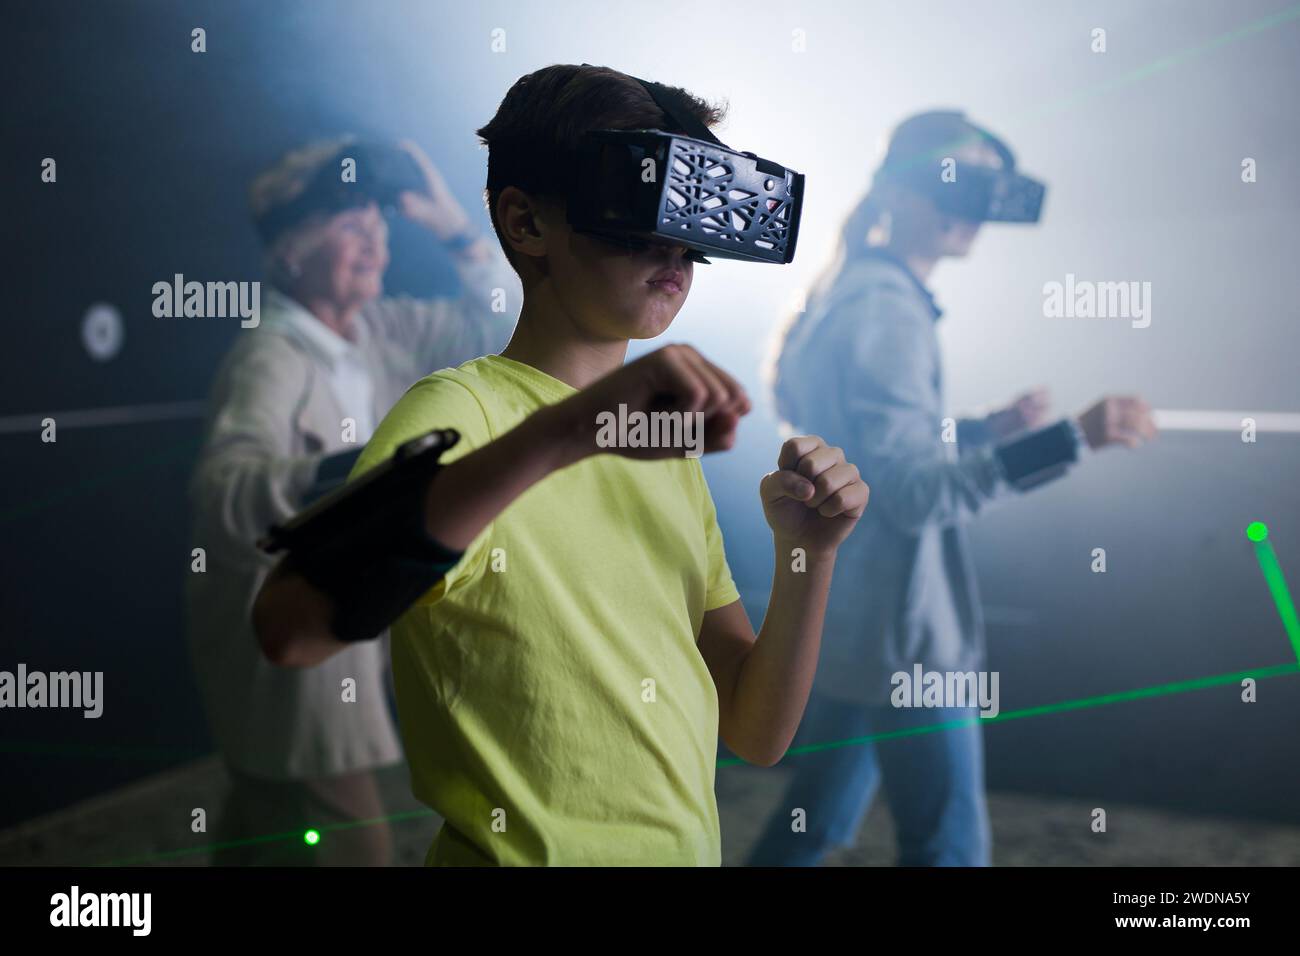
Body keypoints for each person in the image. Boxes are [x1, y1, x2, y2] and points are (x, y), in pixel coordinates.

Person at [251, 63, 871, 866]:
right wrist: (568, 430)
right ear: (525, 222)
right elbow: (287, 627)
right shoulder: (460, 412)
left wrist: (808, 554)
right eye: (634, 221)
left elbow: (755, 733)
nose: (672, 256)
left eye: (688, 235)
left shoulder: (661, 444)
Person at [755, 110, 1157, 866]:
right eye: (954, 179)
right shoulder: (888, 310)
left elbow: (872, 448)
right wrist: (1075, 437)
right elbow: (909, 493)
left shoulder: (859, 291)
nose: (967, 203)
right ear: (901, 193)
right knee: (950, 849)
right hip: (906, 635)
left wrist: (981, 429)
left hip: (855, 620)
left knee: (813, 825)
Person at [185, 136, 519, 865]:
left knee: (263, 825)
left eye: (379, 224)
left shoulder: (376, 332)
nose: (374, 241)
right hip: (281, 625)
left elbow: (504, 321)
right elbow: (223, 489)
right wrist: (364, 477)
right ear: (291, 251)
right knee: (349, 842)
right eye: (348, 225)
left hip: (324, 629)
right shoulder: (271, 355)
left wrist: (452, 224)